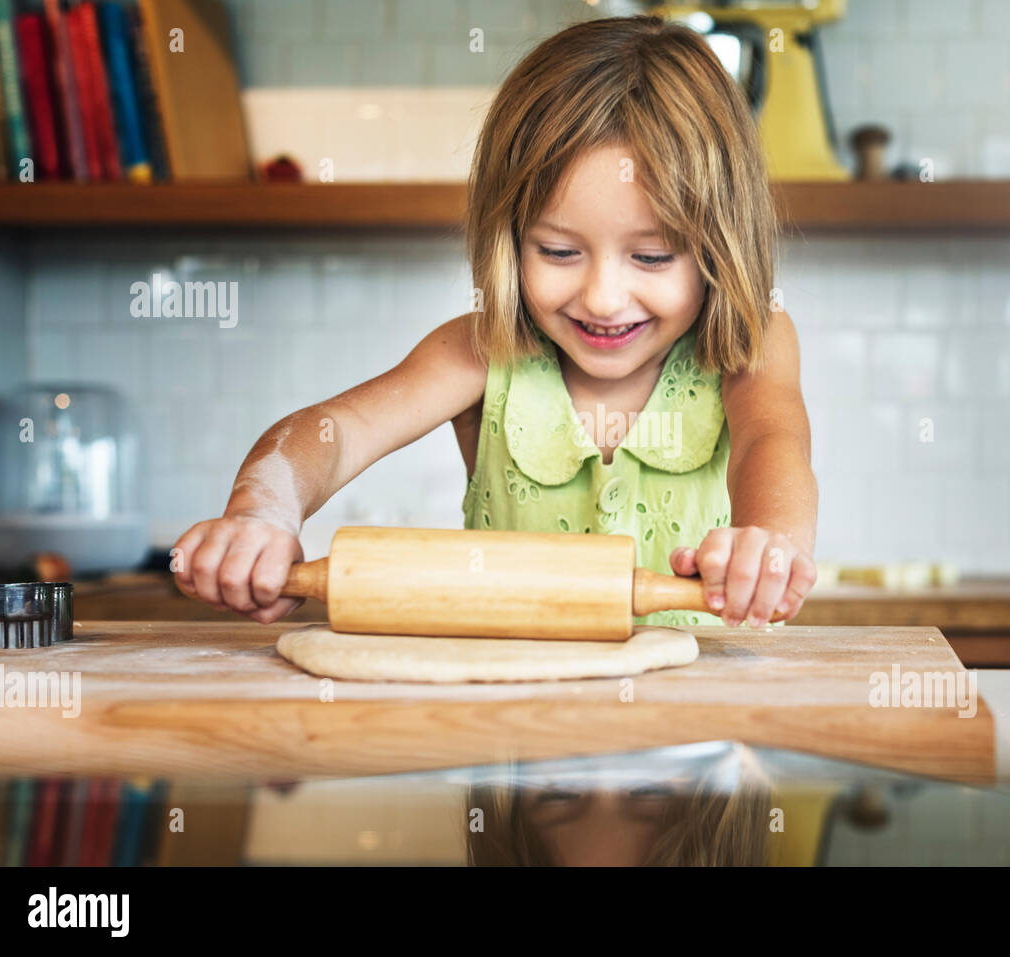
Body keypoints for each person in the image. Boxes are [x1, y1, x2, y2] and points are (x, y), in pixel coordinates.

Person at [172, 15, 818, 630]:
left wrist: (771, 546)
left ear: (720, 244)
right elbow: (333, 432)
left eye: (651, 256)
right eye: (558, 252)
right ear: (506, 239)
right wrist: (263, 511)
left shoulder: (749, 342)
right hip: (514, 717)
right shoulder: (483, 350)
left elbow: (772, 443)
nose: (601, 296)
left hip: (699, 727)